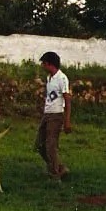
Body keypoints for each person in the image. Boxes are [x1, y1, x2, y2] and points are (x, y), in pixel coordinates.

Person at [35, 51, 72, 180]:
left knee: (51, 145)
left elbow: (67, 100)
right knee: (40, 144)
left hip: (56, 115)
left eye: (44, 64)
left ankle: (55, 174)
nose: (43, 66)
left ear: (51, 64)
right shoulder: (49, 78)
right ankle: (58, 166)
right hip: (47, 114)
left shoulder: (62, 79)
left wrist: (67, 121)